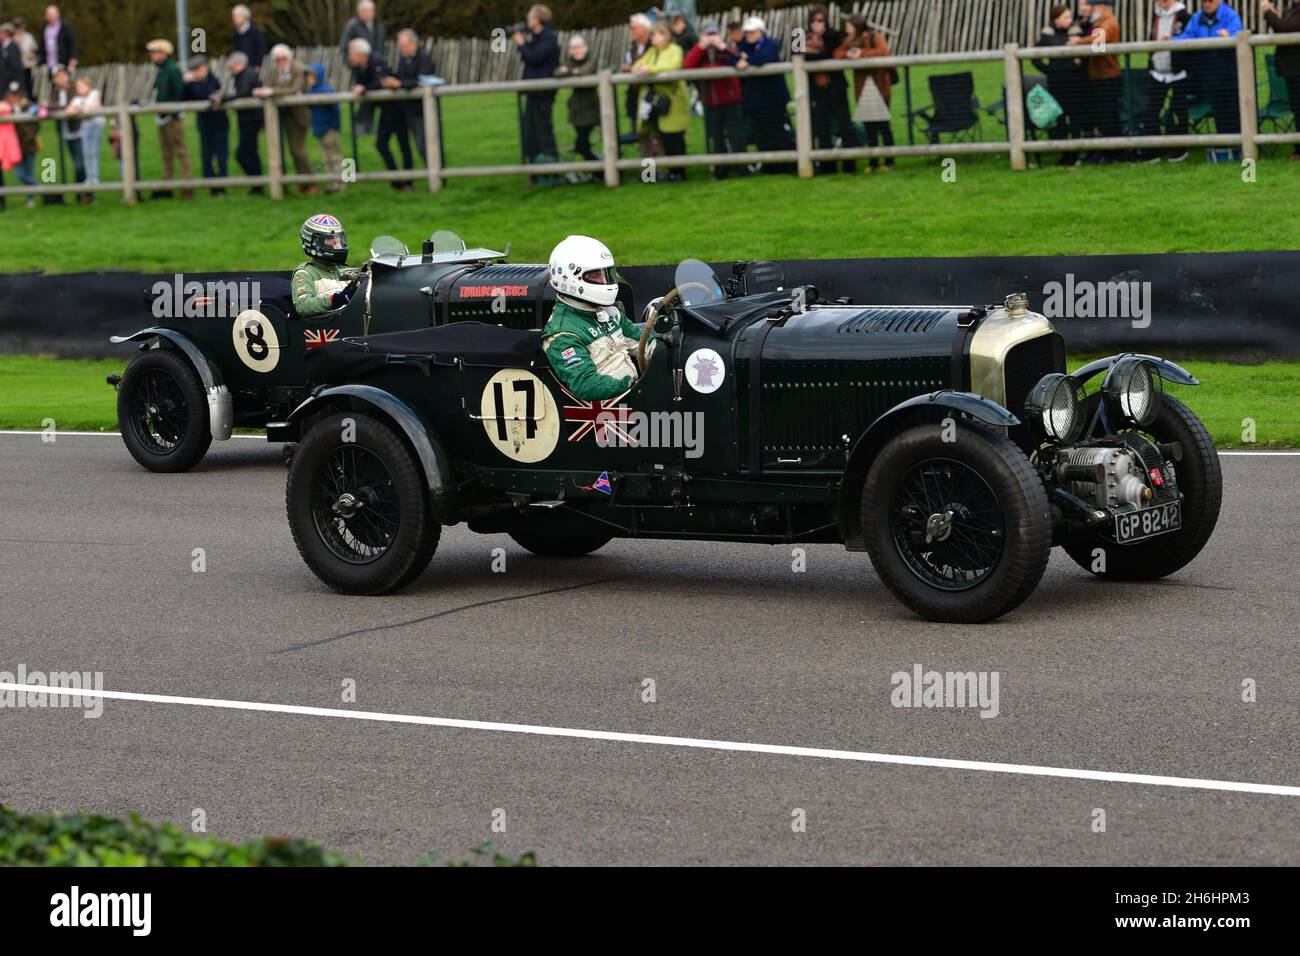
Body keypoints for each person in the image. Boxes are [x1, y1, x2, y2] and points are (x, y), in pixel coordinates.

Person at [542, 235, 652, 401]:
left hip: (638, 396)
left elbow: (645, 344)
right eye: (595, 276)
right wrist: (635, 385)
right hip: (615, 409)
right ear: (569, 279)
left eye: (606, 274)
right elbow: (587, 385)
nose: (604, 281)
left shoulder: (609, 313)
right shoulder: (563, 334)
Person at [683, 20, 747, 178]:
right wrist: (700, 47)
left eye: (714, 34)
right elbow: (687, 67)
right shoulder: (699, 51)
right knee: (716, 137)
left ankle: (742, 167)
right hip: (711, 101)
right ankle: (721, 170)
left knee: (736, 135)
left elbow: (739, 59)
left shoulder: (726, 48)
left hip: (731, 100)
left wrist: (723, 47)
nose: (711, 38)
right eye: (708, 34)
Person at [1176, 0, 1244, 144]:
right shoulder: (1196, 18)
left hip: (1230, 73)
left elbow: (1238, 32)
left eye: (1210, 1)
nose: (1207, 4)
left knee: (1234, 110)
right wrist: (1170, 40)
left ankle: (1241, 146)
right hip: (1209, 74)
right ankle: (1225, 146)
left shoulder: (1230, 15)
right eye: (1204, 1)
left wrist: (1230, 36)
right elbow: (1186, 36)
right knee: (1219, 111)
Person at [1133, 0, 1192, 162]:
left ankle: (1180, 149)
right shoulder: (1156, 15)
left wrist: (1174, 40)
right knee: (1152, 110)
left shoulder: (1184, 16)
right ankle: (1153, 151)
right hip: (1158, 71)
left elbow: (1191, 37)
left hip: (1178, 72)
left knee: (1179, 110)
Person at [835, 16, 894, 172]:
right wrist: (848, 54)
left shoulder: (876, 37)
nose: (846, 29)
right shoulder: (850, 41)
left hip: (880, 88)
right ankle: (873, 162)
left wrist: (861, 53)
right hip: (863, 90)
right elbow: (837, 53)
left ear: (857, 26)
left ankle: (889, 161)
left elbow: (884, 51)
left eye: (849, 26)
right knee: (869, 127)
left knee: (883, 126)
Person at [259, 43, 318, 195]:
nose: (281, 62)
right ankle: (287, 185)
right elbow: (268, 86)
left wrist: (272, 91)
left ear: (290, 57)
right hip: (280, 116)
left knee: (297, 150)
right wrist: (270, 90)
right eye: (277, 59)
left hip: (298, 115)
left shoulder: (299, 70)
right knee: (279, 152)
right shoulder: (274, 71)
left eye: (283, 58)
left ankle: (310, 182)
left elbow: (294, 89)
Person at [349, 37, 408, 190]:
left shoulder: (377, 62)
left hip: (397, 108)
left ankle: (407, 181)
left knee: (403, 144)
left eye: (351, 54)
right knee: (382, 144)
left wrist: (365, 88)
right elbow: (363, 83)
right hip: (385, 110)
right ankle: (397, 180)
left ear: (360, 54)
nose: (349, 57)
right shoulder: (358, 67)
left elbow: (382, 83)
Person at [633, 21, 690, 181]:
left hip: (670, 101)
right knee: (650, 136)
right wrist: (640, 69)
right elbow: (636, 66)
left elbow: (672, 66)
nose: (653, 38)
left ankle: (677, 172)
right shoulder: (651, 52)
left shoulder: (675, 50)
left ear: (666, 36)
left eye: (656, 34)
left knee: (672, 137)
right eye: (652, 34)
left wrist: (649, 70)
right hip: (651, 102)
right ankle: (649, 174)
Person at [737, 16, 794, 172]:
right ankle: (768, 165)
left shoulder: (770, 44)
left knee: (777, 131)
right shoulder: (744, 46)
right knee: (761, 133)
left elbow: (767, 56)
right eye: (747, 32)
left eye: (752, 32)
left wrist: (748, 61)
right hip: (755, 101)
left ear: (761, 32)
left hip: (773, 100)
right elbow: (734, 59)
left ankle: (784, 164)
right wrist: (743, 59)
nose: (749, 35)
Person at [1032, 4, 1087, 165]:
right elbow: (1035, 57)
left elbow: (1087, 56)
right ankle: (1065, 154)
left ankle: (1076, 153)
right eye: (1065, 17)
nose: (1069, 20)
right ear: (1056, 19)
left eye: (1070, 17)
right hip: (1056, 82)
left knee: (1074, 116)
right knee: (1059, 117)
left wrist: (1079, 64)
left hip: (1074, 82)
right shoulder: (1047, 36)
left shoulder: (1076, 34)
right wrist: (1048, 70)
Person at [1068, 1, 1122, 163]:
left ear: (1103, 7)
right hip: (1100, 74)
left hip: (1106, 75)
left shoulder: (1108, 23)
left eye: (1095, 7)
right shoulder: (1101, 23)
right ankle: (1109, 151)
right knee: (1105, 115)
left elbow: (1097, 43)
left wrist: (1077, 42)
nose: (1093, 10)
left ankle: (1112, 152)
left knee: (1108, 115)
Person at [806, 6, 856, 174]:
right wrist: (815, 51)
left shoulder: (833, 35)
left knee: (844, 125)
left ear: (825, 21)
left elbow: (833, 54)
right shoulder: (799, 34)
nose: (816, 24)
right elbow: (796, 54)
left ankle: (850, 164)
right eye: (813, 20)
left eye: (819, 20)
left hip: (836, 87)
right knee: (822, 127)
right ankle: (827, 167)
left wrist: (814, 49)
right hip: (817, 89)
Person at [514, 5, 560, 169]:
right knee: (530, 131)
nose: (527, 20)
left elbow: (534, 59)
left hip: (543, 92)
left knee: (544, 130)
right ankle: (535, 170)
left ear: (537, 19)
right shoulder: (535, 38)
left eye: (530, 17)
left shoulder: (548, 38)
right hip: (533, 91)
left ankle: (551, 169)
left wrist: (521, 44)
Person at [147, 39, 192, 198]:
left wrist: (172, 112)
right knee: (166, 152)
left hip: (173, 117)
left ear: (163, 53)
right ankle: (167, 184)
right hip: (163, 116)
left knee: (180, 150)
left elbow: (179, 92)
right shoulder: (161, 70)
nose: (152, 55)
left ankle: (187, 184)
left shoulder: (172, 70)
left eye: (154, 52)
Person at [292, 214, 356, 317]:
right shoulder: (305, 273)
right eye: (332, 242)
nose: (339, 246)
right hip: (330, 327)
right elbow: (302, 306)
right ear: (315, 244)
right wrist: (334, 300)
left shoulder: (343, 269)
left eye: (339, 241)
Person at [183, 55, 229, 194]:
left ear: (205, 68)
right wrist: (186, 84)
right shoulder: (192, 83)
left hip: (219, 124)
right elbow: (183, 98)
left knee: (221, 156)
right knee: (206, 156)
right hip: (204, 124)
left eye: (197, 69)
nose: (195, 72)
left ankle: (221, 187)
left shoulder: (213, 80)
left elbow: (205, 95)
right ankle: (211, 186)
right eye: (193, 70)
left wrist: (193, 84)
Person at [340, 0, 386, 135]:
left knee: (377, 92)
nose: (369, 13)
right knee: (363, 96)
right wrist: (353, 65)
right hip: (360, 68)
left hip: (375, 65)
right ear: (360, 12)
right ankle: (361, 127)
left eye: (371, 10)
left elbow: (380, 47)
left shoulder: (378, 26)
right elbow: (344, 49)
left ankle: (374, 127)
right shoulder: (352, 26)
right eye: (365, 11)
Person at [1262, 0, 1300, 158]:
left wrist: (1267, 11)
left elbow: (1284, 27)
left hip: (1297, 70)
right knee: (1297, 109)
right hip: (1292, 71)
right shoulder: (1293, 9)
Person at [222, 51, 264, 193]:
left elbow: (245, 93)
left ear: (240, 63)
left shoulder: (247, 74)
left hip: (251, 120)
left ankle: (257, 183)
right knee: (251, 152)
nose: (229, 66)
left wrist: (225, 98)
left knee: (243, 153)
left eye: (231, 64)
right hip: (248, 119)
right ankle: (257, 185)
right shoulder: (244, 74)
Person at [393, 29, 435, 162]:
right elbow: (401, 77)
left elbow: (421, 80)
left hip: (423, 109)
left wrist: (399, 84)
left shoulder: (423, 58)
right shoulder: (403, 59)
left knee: (425, 144)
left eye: (403, 45)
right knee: (418, 144)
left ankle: (437, 175)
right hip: (409, 109)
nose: (401, 48)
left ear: (413, 44)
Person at [555, 34, 599, 161]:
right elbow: (557, 73)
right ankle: (597, 171)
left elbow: (586, 71)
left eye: (579, 47)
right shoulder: (571, 61)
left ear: (584, 48)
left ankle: (599, 171)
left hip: (590, 107)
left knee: (581, 144)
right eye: (574, 48)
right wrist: (575, 71)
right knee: (581, 143)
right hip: (576, 108)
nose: (577, 50)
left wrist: (571, 71)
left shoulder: (591, 59)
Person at [66, 75, 103, 203]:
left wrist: (80, 109)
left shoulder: (94, 94)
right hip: (85, 126)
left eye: (82, 86)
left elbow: (91, 108)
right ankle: (89, 177)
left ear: (88, 86)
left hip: (96, 125)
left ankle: (95, 177)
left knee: (94, 152)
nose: (80, 89)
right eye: (78, 87)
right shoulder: (77, 99)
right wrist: (78, 109)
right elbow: (69, 110)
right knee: (86, 153)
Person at [48, 64, 81, 203]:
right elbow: (51, 106)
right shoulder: (55, 92)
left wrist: (62, 108)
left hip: (78, 130)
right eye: (57, 76)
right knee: (69, 162)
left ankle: (83, 193)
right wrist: (63, 108)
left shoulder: (75, 88)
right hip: (65, 132)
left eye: (62, 74)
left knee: (80, 163)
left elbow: (75, 104)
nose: (60, 78)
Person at [308, 64, 344, 192]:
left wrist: (334, 127)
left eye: (311, 75)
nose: (308, 78)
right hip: (318, 130)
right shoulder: (310, 91)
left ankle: (341, 184)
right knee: (326, 158)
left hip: (329, 129)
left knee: (335, 157)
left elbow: (335, 109)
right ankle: (331, 184)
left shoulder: (326, 91)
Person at [2, 82, 38, 206]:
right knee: (20, 174)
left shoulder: (29, 106)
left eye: (16, 95)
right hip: (14, 147)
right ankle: (38, 188)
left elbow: (36, 125)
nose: (14, 98)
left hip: (29, 145)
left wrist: (29, 137)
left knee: (29, 172)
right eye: (12, 95)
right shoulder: (6, 108)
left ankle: (31, 198)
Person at [623, 14, 653, 130]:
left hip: (651, 95)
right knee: (639, 132)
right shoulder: (633, 47)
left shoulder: (653, 45)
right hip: (634, 96)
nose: (631, 30)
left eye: (634, 27)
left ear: (644, 28)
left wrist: (632, 68)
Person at [230, 4, 268, 75]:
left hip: (253, 69)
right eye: (233, 16)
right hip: (238, 70)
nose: (234, 19)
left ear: (244, 17)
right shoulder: (236, 34)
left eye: (236, 16)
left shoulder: (255, 31)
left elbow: (261, 49)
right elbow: (234, 51)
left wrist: (258, 65)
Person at [42, 6, 76, 73]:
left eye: (53, 14)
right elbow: (42, 46)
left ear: (58, 15)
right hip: (50, 64)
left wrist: (73, 58)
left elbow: (72, 43)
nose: (51, 17)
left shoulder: (65, 27)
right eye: (49, 15)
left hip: (63, 62)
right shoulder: (44, 28)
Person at [12, 18, 37, 95]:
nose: (19, 29)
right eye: (17, 27)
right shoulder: (11, 39)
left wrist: (32, 56)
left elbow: (35, 50)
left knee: (29, 87)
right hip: (15, 68)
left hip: (27, 66)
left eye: (21, 27)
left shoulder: (29, 36)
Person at [0, 23, 22, 96]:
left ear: (6, 34)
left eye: (1, 33)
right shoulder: (2, 46)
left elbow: (15, 66)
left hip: (9, 82)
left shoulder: (13, 47)